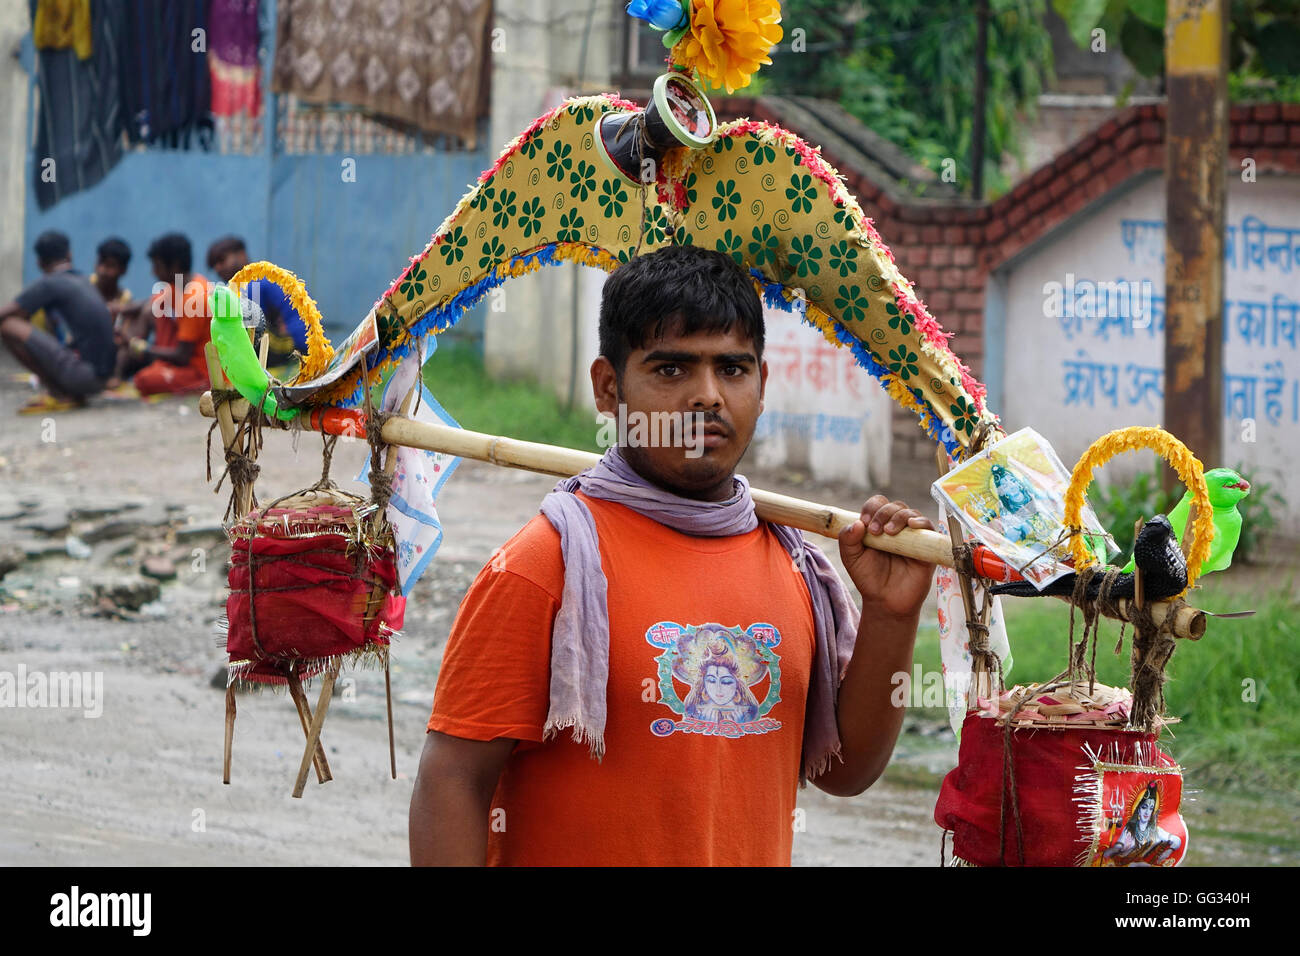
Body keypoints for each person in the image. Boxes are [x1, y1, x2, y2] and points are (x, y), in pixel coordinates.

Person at [408, 246, 938, 866]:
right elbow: (452, 780)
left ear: (762, 385)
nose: (707, 397)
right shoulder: (543, 566)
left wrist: (892, 615)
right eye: (671, 370)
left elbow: (845, 772)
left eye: (733, 370)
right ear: (609, 388)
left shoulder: (795, 564)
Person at [0, 230, 116, 412]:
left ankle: (58, 392)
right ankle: (68, 391)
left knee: (8, 326)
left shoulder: (50, 283)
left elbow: (5, 314)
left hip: (83, 377)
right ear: (69, 255)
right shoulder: (83, 280)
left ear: (39, 262)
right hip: (102, 377)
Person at [129, 233, 214, 396]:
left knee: (143, 380)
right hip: (186, 359)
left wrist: (143, 349)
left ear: (174, 265)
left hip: (202, 372)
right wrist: (124, 309)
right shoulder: (187, 283)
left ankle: (164, 370)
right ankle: (160, 366)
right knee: (158, 304)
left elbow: (182, 356)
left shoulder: (194, 297)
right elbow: (152, 301)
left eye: (157, 266)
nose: (153, 272)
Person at [207, 235, 307, 363]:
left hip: (297, 346)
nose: (218, 268)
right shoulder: (262, 276)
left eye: (222, 260)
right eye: (214, 265)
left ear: (241, 254)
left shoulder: (253, 284)